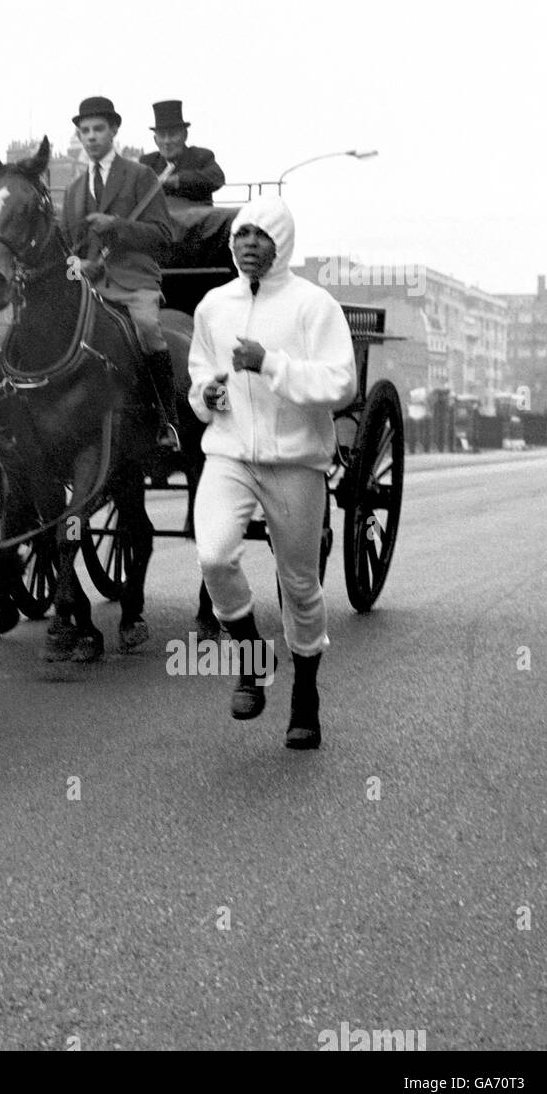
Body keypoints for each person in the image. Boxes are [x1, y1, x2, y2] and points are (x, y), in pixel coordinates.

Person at [187, 196, 357, 749]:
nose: (249, 245)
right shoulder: (213, 306)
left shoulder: (314, 305)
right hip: (229, 454)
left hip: (295, 462)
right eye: (241, 235)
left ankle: (305, 694)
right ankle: (251, 657)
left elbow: (341, 384)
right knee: (214, 555)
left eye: (261, 235)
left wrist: (270, 363)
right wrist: (207, 396)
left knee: (299, 584)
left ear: (281, 243)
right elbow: (199, 378)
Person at [60, 95, 180, 451]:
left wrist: (117, 225)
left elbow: (163, 235)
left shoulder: (141, 176)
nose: (91, 136)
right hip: (89, 286)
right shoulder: (74, 190)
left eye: (98, 129)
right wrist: (77, 266)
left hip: (133, 280)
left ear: (114, 131)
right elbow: (68, 250)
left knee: (147, 329)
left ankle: (167, 418)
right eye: (85, 131)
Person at [140, 99, 225, 204]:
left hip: (196, 214)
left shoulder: (201, 156)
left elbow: (218, 178)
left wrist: (176, 180)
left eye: (172, 134)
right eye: (162, 135)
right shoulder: (148, 162)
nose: (167, 141)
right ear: (155, 140)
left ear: (185, 135)